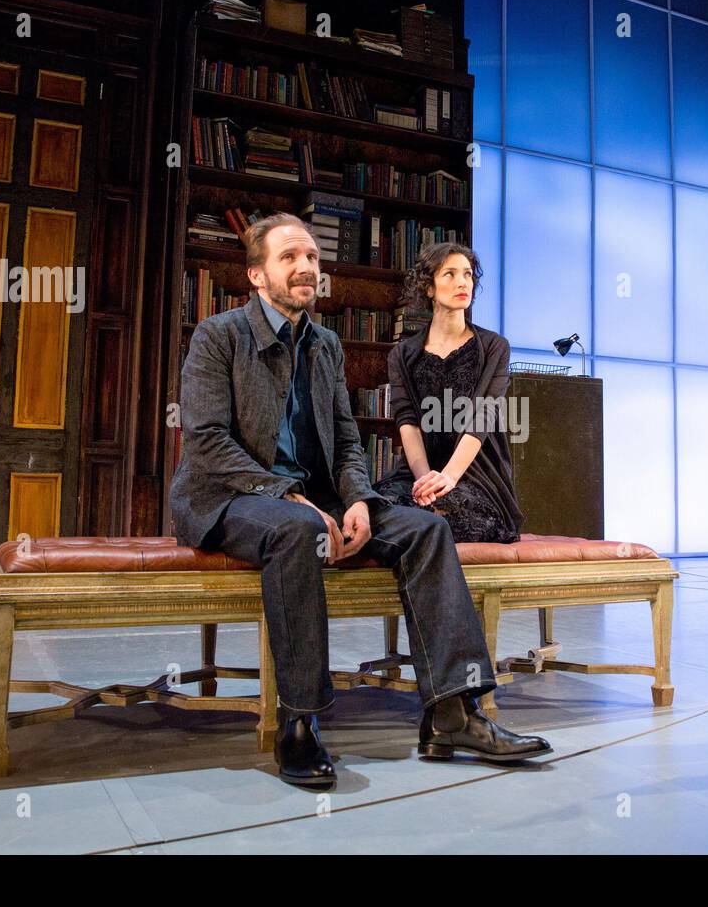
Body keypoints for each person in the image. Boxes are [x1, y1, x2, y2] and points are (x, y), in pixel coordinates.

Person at [169, 213, 551, 789]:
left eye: (312, 260)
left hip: (314, 496)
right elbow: (207, 442)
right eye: (289, 258)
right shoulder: (218, 336)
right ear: (256, 275)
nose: (305, 269)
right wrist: (291, 496)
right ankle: (298, 723)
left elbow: (348, 441)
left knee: (425, 528)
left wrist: (357, 499)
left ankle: (453, 712)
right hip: (234, 497)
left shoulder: (324, 345)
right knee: (297, 530)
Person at [374, 242, 524, 543]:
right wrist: (424, 480)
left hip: (474, 474)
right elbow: (408, 421)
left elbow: (482, 416)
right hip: (420, 471)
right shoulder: (403, 355)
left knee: (443, 515)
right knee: (377, 509)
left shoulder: (494, 347)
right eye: (450, 274)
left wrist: (449, 477)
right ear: (429, 288)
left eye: (468, 275)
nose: (462, 282)